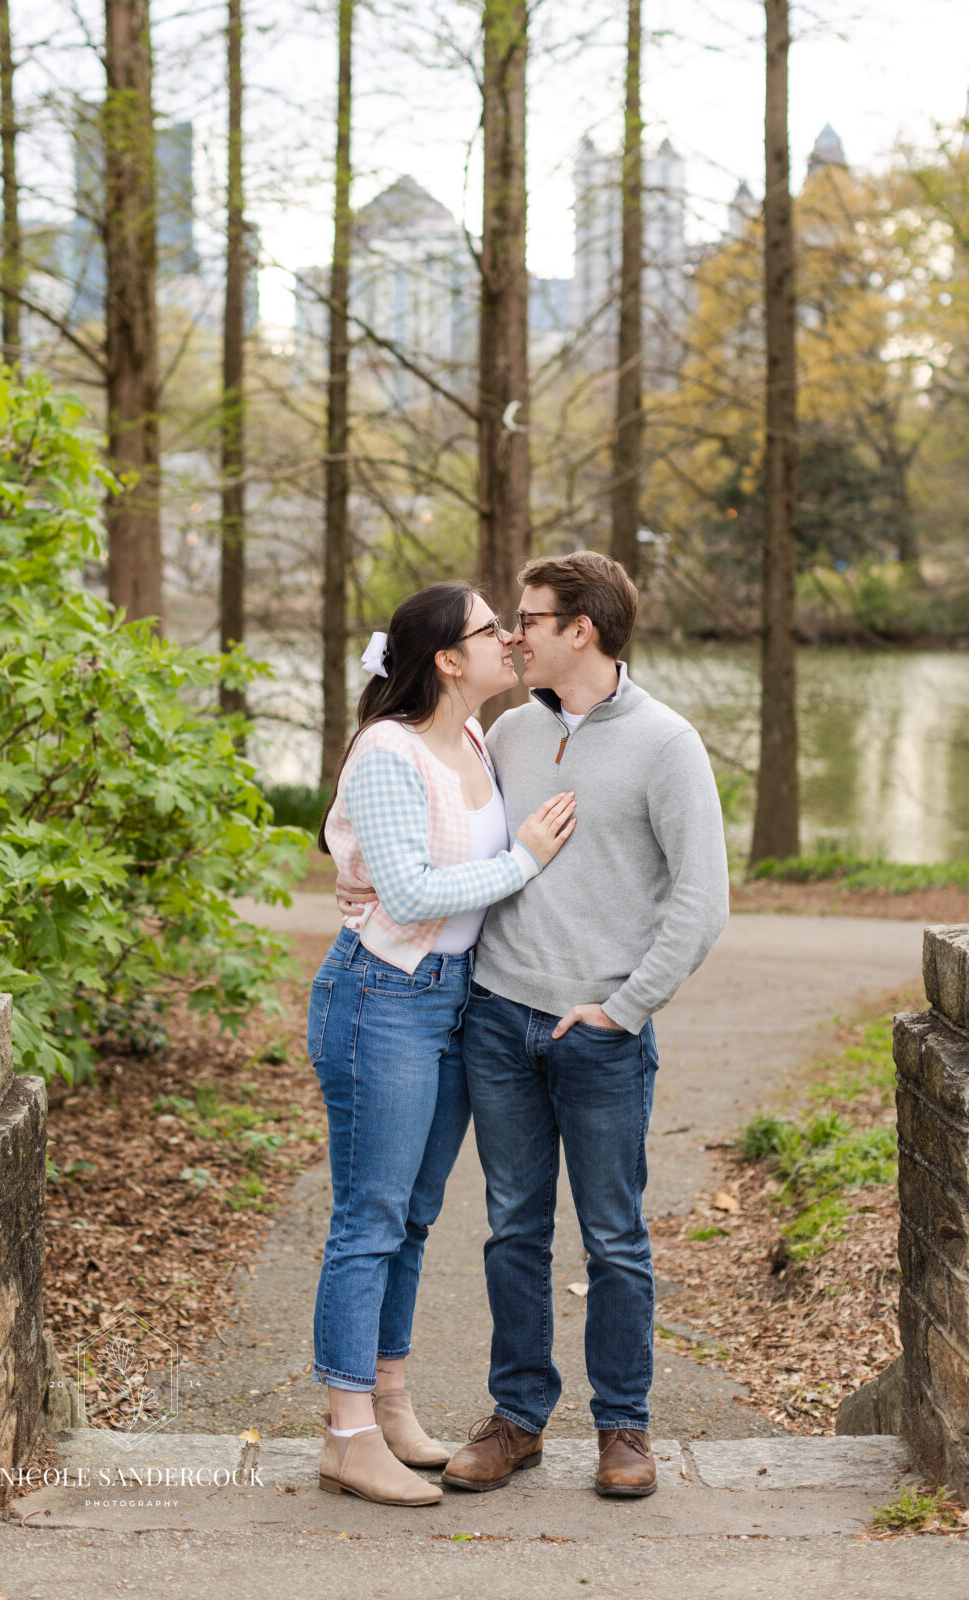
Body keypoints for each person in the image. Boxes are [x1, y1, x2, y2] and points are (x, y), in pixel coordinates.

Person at [338, 551, 729, 1499]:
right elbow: (410, 810)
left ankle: (622, 1428)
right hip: (495, 1023)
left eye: (530, 619)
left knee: (614, 1237)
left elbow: (701, 900)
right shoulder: (505, 732)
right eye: (503, 622)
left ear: (579, 631)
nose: (512, 635)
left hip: (598, 1034)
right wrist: (352, 857)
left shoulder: (667, 744)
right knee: (511, 1229)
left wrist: (624, 1007)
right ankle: (517, 1417)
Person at [308, 581, 577, 1508]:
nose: (509, 638)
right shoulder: (386, 752)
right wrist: (525, 860)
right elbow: (415, 894)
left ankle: (387, 1404)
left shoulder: (471, 736)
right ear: (448, 661)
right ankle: (344, 1435)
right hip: (379, 998)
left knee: (415, 1215)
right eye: (489, 629)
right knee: (369, 1219)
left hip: (452, 1001)